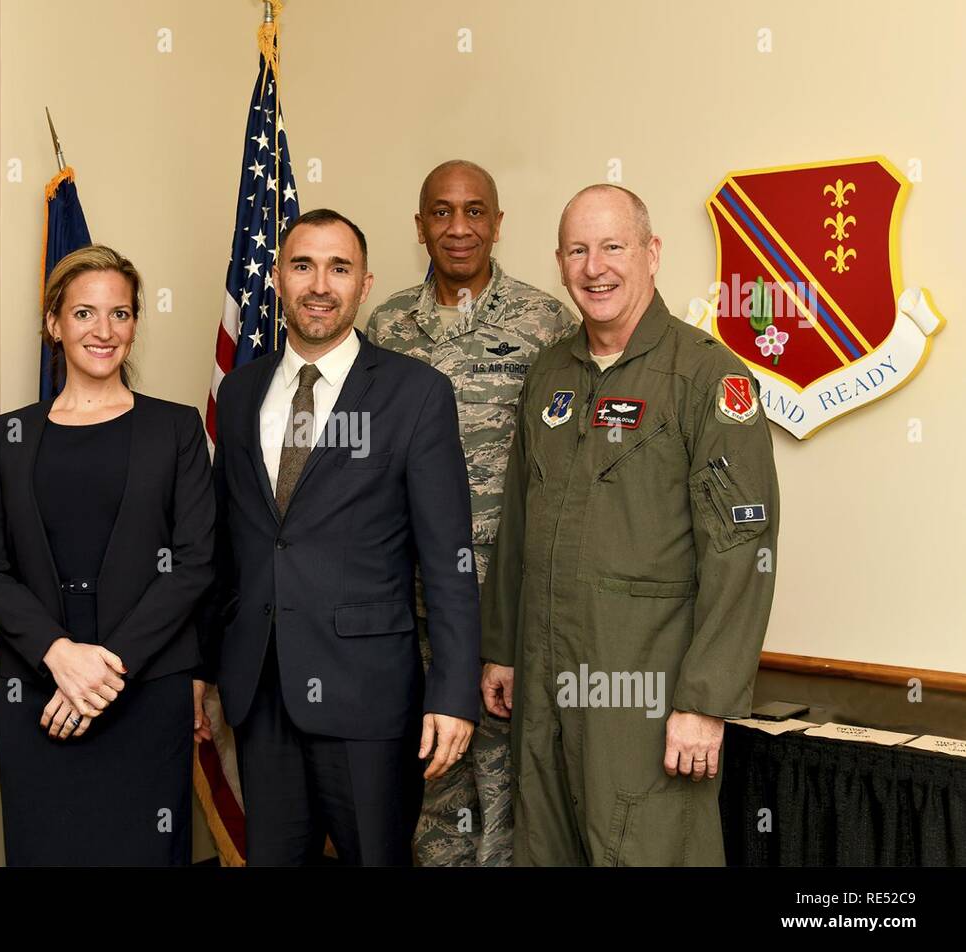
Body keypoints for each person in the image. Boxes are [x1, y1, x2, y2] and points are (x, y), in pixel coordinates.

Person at [481, 184, 780, 866]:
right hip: (543, 683)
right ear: (560, 263)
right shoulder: (551, 373)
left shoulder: (706, 376)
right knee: (544, 849)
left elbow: (742, 550)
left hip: (645, 691)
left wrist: (705, 702)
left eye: (613, 247)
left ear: (652, 253)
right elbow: (518, 520)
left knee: (645, 849)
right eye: (577, 251)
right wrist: (501, 646)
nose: (595, 268)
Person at [203, 208, 481, 866]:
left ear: (365, 284)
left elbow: (449, 559)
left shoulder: (416, 394)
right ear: (277, 278)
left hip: (368, 698)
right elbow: (225, 548)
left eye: (339, 268)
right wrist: (203, 668)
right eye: (303, 266)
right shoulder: (239, 394)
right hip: (261, 692)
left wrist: (454, 693)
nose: (320, 285)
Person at [0, 244, 214, 866]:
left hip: (144, 685)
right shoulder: (8, 435)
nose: (103, 331)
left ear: (134, 323)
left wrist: (106, 670)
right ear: (54, 324)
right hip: (39, 689)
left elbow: (194, 563)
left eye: (120, 313)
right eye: (84, 313)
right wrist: (58, 654)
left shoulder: (177, 428)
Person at [366, 159, 577, 867]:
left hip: (511, 598)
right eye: (442, 211)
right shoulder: (388, 324)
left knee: (516, 784)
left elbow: (565, 466)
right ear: (420, 225)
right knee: (432, 776)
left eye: (475, 210)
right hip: (413, 599)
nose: (459, 227)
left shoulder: (545, 322)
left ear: (498, 222)